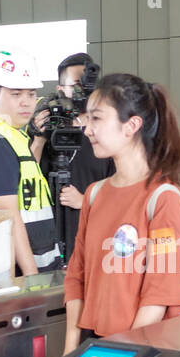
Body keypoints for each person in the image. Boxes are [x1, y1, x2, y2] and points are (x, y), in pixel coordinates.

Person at [63, 73, 180, 351]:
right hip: (91, 343)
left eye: (96, 118)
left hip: (138, 347)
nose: (87, 129)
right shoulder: (94, 195)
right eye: (87, 119)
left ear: (132, 125)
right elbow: (77, 276)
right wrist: (70, 349)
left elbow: (160, 291)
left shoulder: (162, 199)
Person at [0, 47, 61, 275]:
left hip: (32, 267)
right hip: (11, 275)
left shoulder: (14, 135)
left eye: (30, 94)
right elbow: (8, 218)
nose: (26, 102)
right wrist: (32, 280)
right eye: (16, 94)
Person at [38, 53, 114, 259]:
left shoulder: (110, 131)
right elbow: (30, 177)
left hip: (97, 237)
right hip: (53, 235)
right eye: (76, 85)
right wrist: (38, 137)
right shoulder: (48, 128)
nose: (83, 92)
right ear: (60, 89)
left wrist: (85, 201)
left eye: (87, 85)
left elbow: (122, 188)